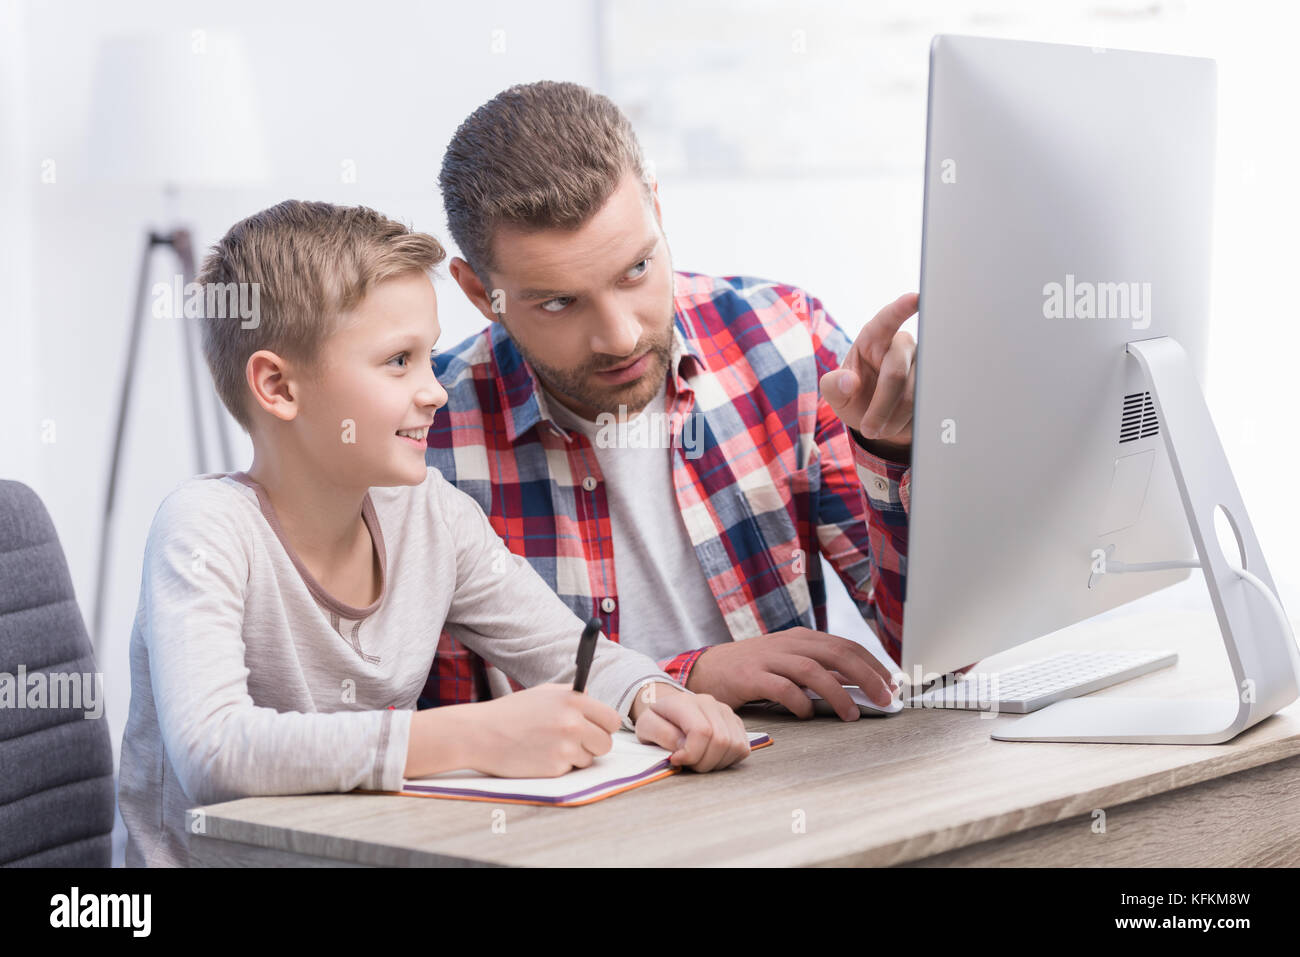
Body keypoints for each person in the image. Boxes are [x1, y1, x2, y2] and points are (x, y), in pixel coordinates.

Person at [118, 200, 750, 868]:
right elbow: (213, 750)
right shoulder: (205, 527)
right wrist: (469, 735)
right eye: (398, 361)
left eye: (428, 357)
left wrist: (653, 696)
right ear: (277, 386)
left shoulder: (430, 515)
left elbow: (569, 654)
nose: (435, 392)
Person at [423, 81, 919, 722]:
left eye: (636, 269)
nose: (620, 336)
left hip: (800, 772)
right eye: (558, 301)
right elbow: (446, 735)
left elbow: (931, 654)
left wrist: (892, 451)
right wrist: (689, 677)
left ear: (656, 208)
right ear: (477, 291)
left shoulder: (786, 341)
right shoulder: (426, 438)